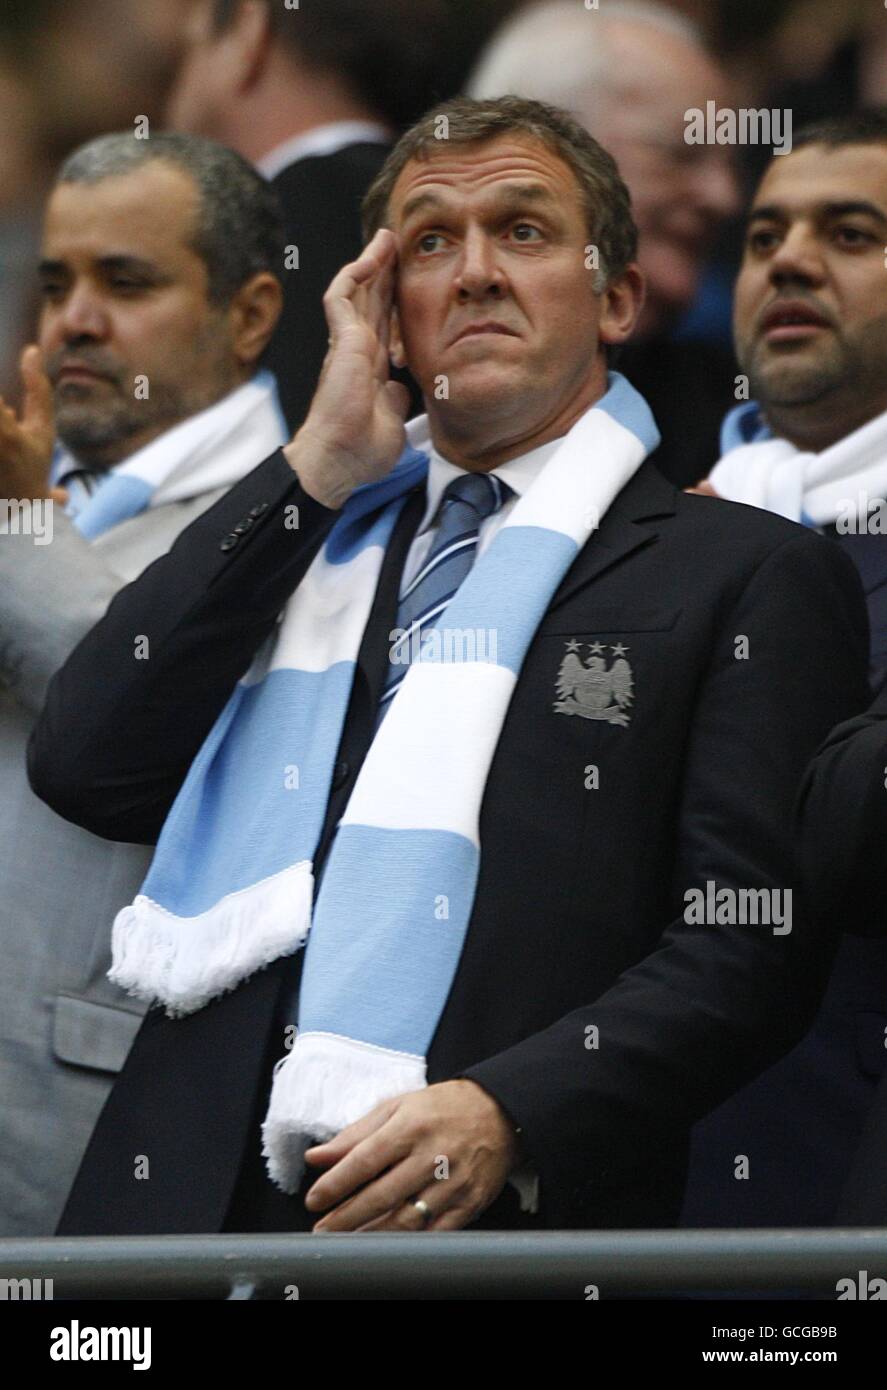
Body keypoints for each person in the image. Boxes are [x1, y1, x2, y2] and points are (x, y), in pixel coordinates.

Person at [30, 97, 868, 1244]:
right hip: (178, 1211)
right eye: (429, 241)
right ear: (383, 313)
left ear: (617, 297)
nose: (473, 272)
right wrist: (317, 461)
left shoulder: (743, 570)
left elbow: (747, 942)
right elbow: (88, 759)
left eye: (521, 230)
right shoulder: (304, 531)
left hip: (477, 1232)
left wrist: (510, 1111)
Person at [0, 130, 287, 1236]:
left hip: (79, 1124)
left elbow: (142, 708)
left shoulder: (300, 510)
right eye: (55, 284)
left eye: (125, 282)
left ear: (250, 313)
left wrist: (23, 523)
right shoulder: (35, 491)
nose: (74, 319)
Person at [684, 112, 887, 1228]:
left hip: (836, 1174)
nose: (789, 262)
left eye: (850, 234)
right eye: (764, 237)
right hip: (617, 1169)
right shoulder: (648, 522)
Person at [467, 0, 741, 488]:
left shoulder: (735, 429)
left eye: (726, 162)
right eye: (681, 155)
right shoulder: (393, 400)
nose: (725, 196)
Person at [164, 0, 449, 431]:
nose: (176, 89)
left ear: (249, 30)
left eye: (192, 47)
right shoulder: (427, 202)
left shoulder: (284, 223)